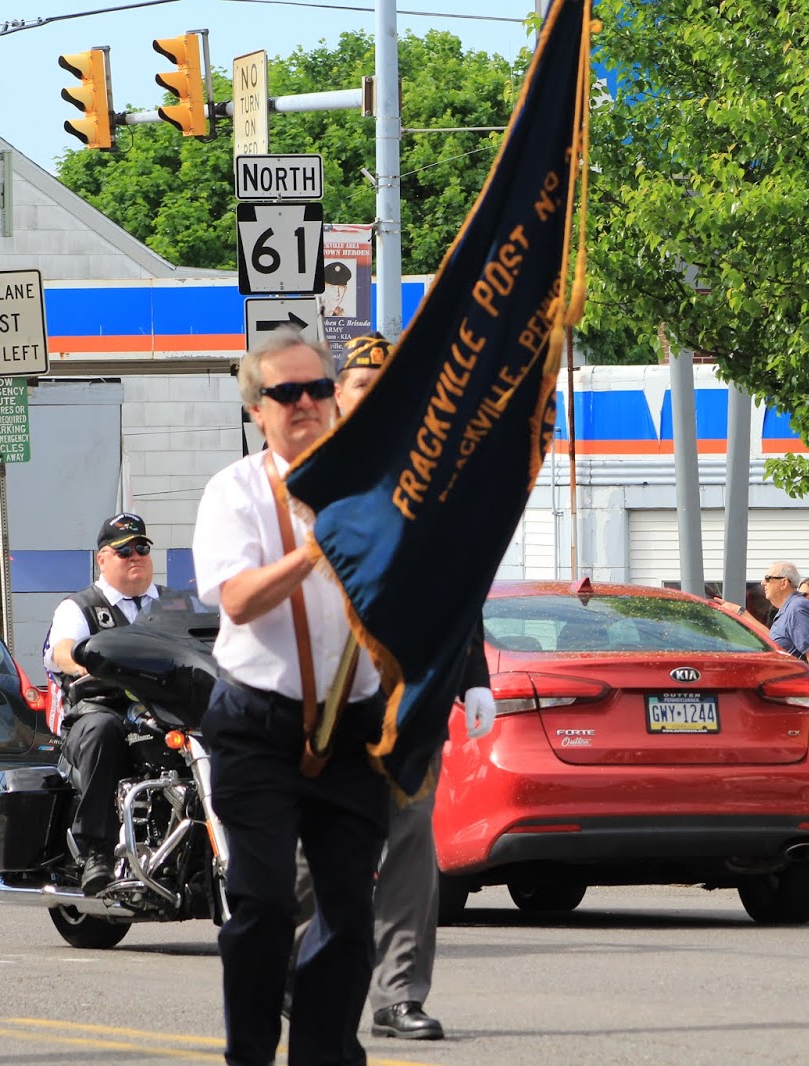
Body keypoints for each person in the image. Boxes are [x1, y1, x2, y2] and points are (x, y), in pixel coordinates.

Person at [289, 331, 496, 1048]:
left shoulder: (431, 475)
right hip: (321, 690)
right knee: (318, 845)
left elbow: (457, 580)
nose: (372, 393)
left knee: (409, 845)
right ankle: (298, 967)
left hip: (405, 692)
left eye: (386, 383)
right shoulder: (311, 472)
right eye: (360, 383)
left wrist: (473, 676)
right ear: (338, 395)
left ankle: (400, 994)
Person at [192, 330, 390, 1066]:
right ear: (256, 410)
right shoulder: (235, 492)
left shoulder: (379, 485)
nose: (306, 403)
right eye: (286, 393)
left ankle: (325, 1054)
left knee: (348, 916)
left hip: (355, 726)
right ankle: (250, 1053)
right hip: (257, 724)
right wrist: (314, 548)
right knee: (265, 904)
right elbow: (238, 599)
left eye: (317, 389)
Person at [42, 511, 166, 894]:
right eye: (123, 550)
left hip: (162, 714)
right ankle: (95, 850)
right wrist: (82, 663)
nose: (135, 556)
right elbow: (61, 650)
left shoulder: (172, 606)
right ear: (102, 559)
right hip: (97, 712)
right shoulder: (79, 607)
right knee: (103, 730)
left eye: (141, 547)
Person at [761, 561, 809, 679]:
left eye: (768, 578)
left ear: (783, 583)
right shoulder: (788, 609)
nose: (763, 583)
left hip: (797, 693)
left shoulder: (797, 609)